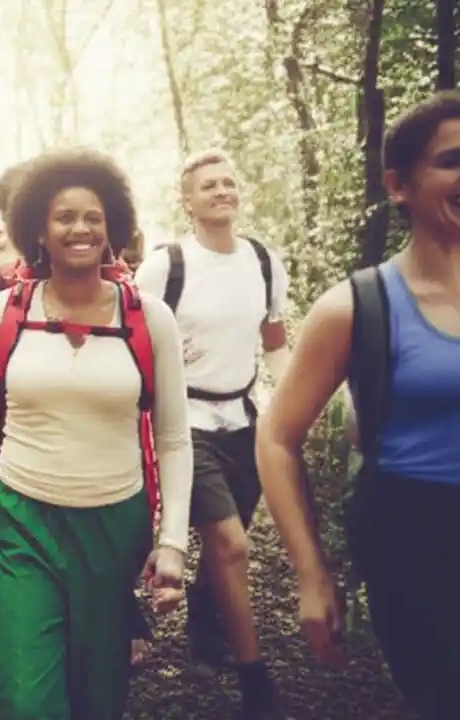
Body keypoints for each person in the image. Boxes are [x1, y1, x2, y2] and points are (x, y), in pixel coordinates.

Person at [257, 93, 460, 720]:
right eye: (452, 161)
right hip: (423, 550)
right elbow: (276, 436)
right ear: (399, 185)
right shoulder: (356, 307)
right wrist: (311, 572)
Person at [0, 149, 190, 719]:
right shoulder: (3, 313)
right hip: (23, 522)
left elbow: (175, 438)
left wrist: (173, 541)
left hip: (114, 525)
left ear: (112, 227)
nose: (79, 229)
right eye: (64, 217)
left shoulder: (148, 317)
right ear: (38, 228)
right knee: (27, 695)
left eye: (93, 217)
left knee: (97, 694)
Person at [133, 148, 289, 718]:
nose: (222, 191)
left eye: (228, 182)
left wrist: (286, 407)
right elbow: (135, 344)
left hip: (244, 421)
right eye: (209, 185)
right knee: (231, 544)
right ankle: (255, 680)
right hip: (185, 426)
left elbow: (274, 340)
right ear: (188, 200)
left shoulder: (265, 260)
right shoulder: (166, 265)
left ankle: (206, 618)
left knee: (228, 546)